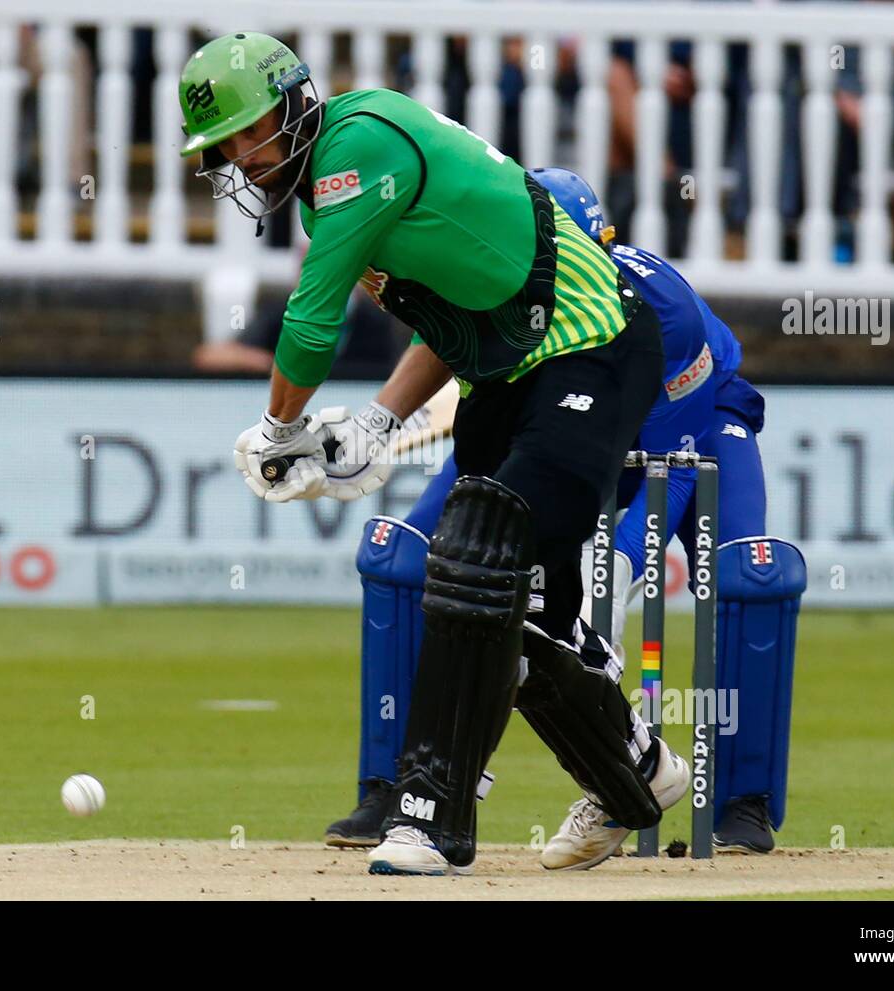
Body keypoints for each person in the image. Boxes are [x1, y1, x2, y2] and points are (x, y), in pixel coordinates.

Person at [180, 32, 687, 876]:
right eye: (226, 147)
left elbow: (311, 319)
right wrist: (380, 419)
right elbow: (451, 317)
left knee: (476, 552)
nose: (243, 156)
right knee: (522, 604)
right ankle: (635, 771)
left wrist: (278, 430)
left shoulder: (358, 146)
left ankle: (429, 820)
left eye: (249, 129)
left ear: (298, 100)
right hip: (503, 373)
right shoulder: (329, 186)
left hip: (589, 343)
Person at [324, 168, 807, 864]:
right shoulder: (494, 284)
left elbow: (657, 467)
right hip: (540, 413)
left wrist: (607, 564)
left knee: (742, 577)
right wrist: (379, 423)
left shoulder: (657, 309)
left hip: (690, 422)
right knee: (407, 557)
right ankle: (398, 788)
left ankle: (735, 802)